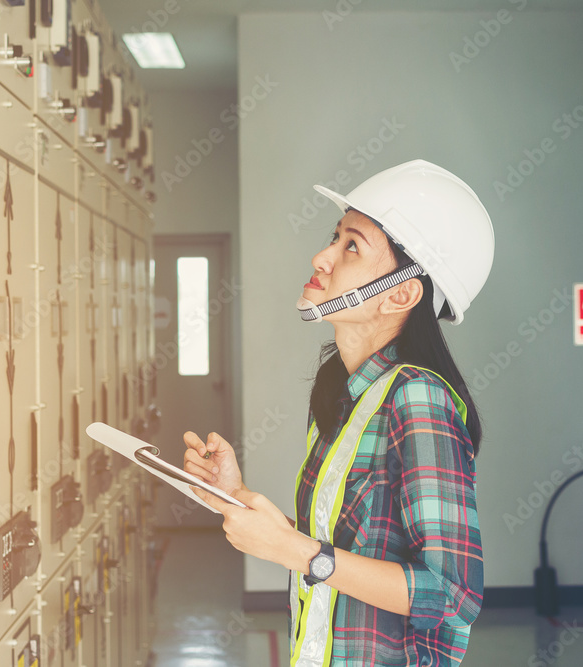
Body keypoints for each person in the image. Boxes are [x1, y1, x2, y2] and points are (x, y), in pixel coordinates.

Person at [184, 159, 494, 666]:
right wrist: (236, 498)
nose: (322, 256)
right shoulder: (344, 396)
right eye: (335, 236)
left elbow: (452, 594)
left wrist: (295, 552)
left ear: (401, 293)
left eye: (352, 245)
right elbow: (343, 550)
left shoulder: (417, 399)